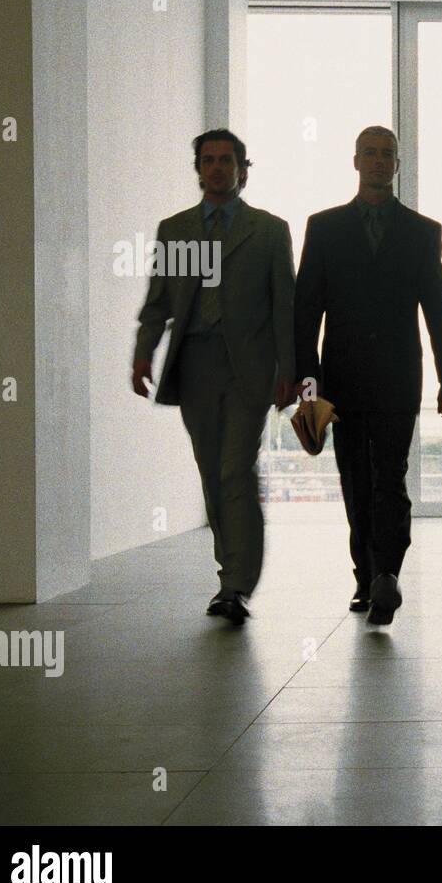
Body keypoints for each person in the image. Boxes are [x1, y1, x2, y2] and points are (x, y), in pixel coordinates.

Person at [294, 126, 442, 626]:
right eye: (369, 152)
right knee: (355, 481)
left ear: (397, 165)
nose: (377, 161)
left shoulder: (422, 231)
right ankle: (364, 575)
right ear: (355, 161)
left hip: (396, 378)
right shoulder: (323, 228)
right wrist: (308, 385)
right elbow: (306, 313)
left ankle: (386, 573)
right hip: (339, 381)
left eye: (387, 154)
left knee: (391, 478)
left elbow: (438, 308)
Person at [132, 128, 296, 624]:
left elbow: (284, 307)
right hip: (196, 365)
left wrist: (290, 372)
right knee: (211, 470)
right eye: (209, 160)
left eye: (227, 160)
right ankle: (229, 573)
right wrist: (143, 355)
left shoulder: (268, 231)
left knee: (234, 469)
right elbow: (159, 303)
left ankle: (237, 584)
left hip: (248, 367)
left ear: (243, 170)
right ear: (199, 169)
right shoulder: (177, 230)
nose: (218, 168)